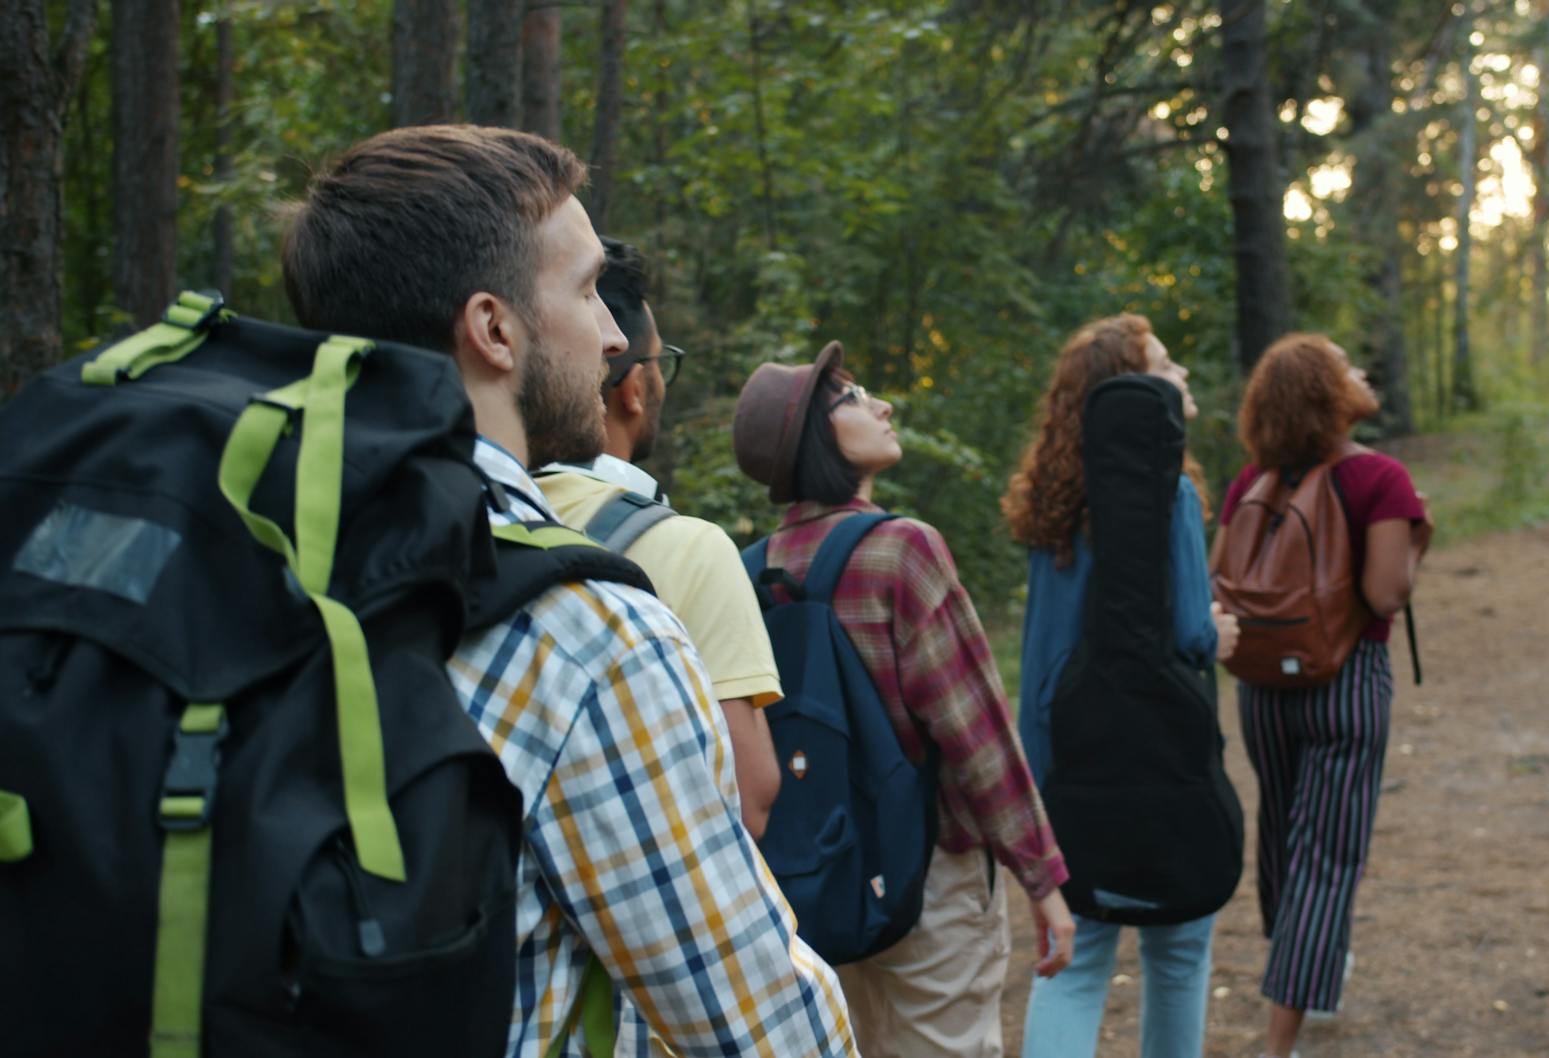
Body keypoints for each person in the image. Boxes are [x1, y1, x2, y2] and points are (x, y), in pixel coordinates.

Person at [281, 125, 855, 1058]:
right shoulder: (585, 638)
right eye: (588, 289)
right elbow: (758, 1029)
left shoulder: (239, 562)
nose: (615, 334)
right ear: (494, 329)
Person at [732, 342, 1077, 1058]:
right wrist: (1041, 879)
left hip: (811, 875)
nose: (882, 406)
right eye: (853, 398)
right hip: (929, 873)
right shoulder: (901, 550)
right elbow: (976, 735)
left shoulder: (750, 570)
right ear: (815, 434)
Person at [1000, 313, 1239, 1058]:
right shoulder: (1170, 497)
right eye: (1165, 364)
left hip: (1072, 764)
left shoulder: (1054, 508)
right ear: (1130, 391)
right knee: (1177, 958)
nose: (1183, 376)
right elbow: (1191, 637)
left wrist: (1035, 788)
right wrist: (1219, 632)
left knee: (1071, 966)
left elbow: (1043, 658)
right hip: (1163, 759)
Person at [1220, 333, 1432, 1058]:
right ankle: (1281, 1041)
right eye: (1346, 367)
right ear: (1327, 394)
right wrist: (1414, 541)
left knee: (1284, 836)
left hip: (1262, 685)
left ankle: (1300, 964)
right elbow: (1384, 593)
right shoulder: (1380, 478)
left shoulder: (1251, 480)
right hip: (1346, 684)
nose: (1361, 372)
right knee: (1329, 857)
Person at [537, 238, 783, 838]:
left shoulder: (464, 511)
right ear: (633, 386)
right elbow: (748, 799)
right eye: (659, 361)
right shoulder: (687, 549)